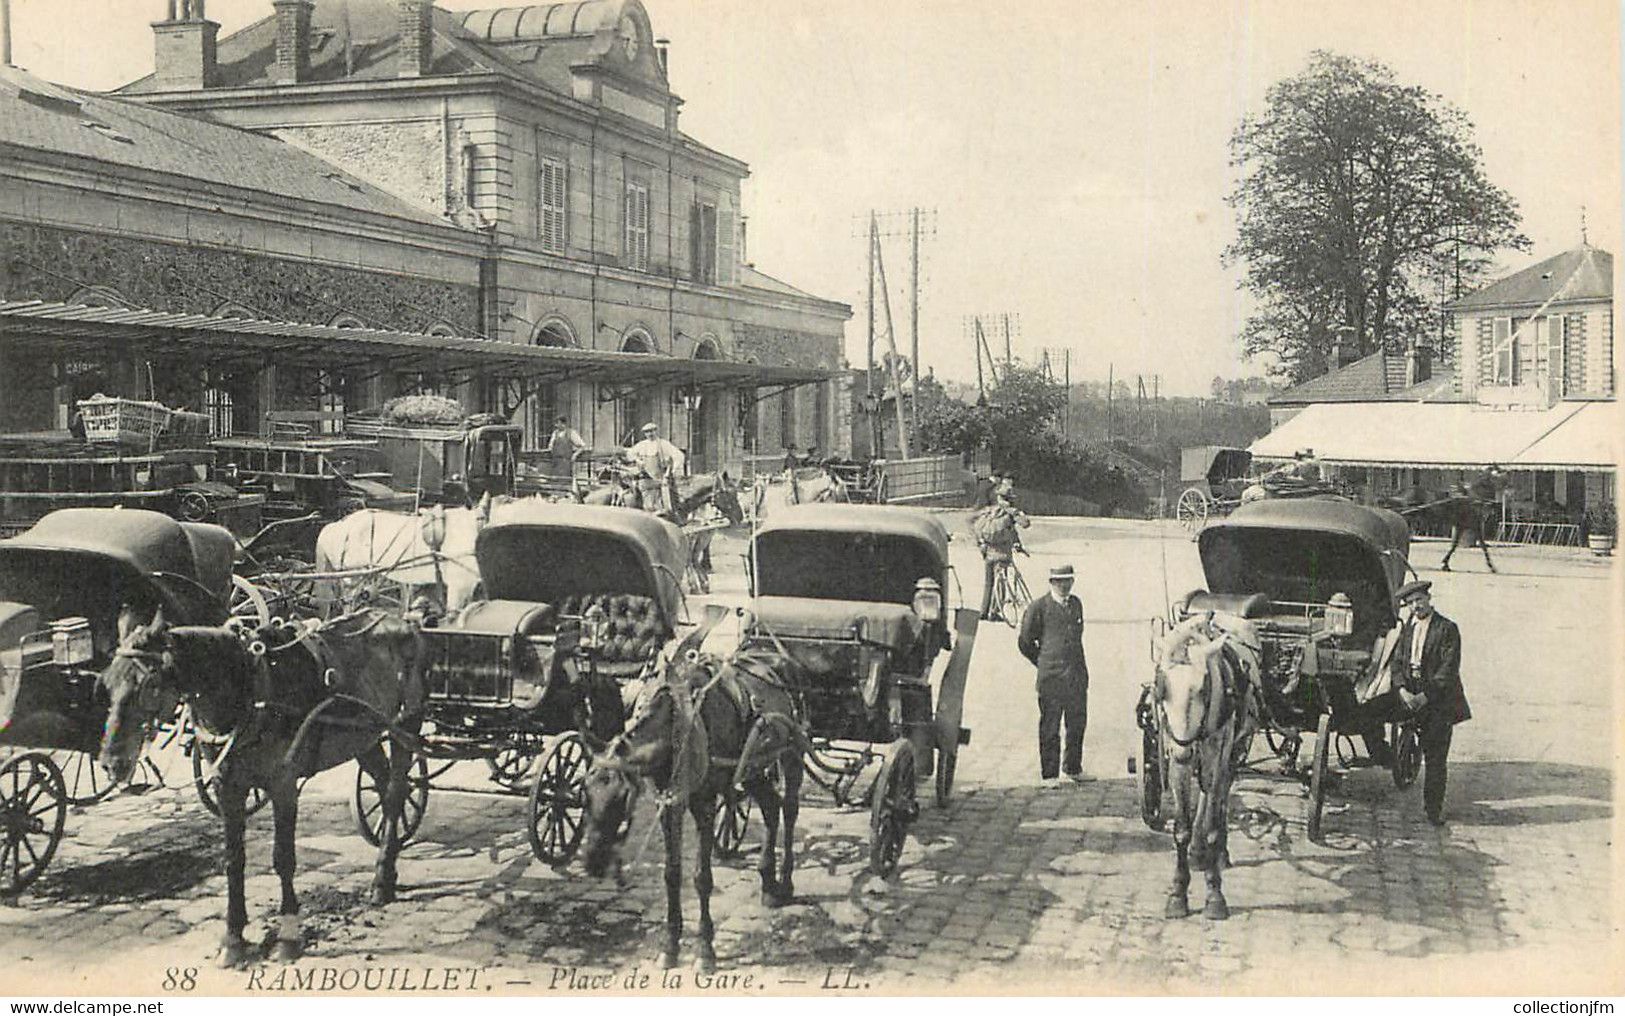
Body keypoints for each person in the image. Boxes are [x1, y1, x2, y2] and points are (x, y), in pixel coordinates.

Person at [1359, 580, 1470, 825]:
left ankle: (1433, 811)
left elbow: (1447, 672)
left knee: (1436, 758)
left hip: (1437, 700)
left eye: (1419, 600)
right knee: (1367, 712)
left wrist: (1425, 696)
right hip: (1409, 695)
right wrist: (1401, 690)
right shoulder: (1407, 628)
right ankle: (1381, 752)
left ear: (1429, 599)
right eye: (1410, 603)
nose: (1416, 606)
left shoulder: (1447, 629)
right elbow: (1397, 663)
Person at [1017, 563, 1091, 787]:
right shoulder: (1039, 607)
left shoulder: (1076, 604)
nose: (1065, 585)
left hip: (1076, 675)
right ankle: (1049, 775)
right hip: (1051, 677)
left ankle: (1073, 768)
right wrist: (1042, 662)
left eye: (1068, 581)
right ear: (1052, 583)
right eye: (1060, 582)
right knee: (1050, 726)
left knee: (1077, 723)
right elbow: (1025, 642)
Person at [972, 489, 1030, 615]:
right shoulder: (1011, 512)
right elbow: (1025, 524)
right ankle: (994, 612)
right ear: (1010, 499)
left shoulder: (989, 511)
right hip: (1003, 554)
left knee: (988, 584)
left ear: (998, 498)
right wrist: (1020, 513)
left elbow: (974, 524)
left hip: (988, 552)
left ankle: (983, 611)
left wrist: (981, 544)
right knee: (1001, 584)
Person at [1442, 465, 1502, 573]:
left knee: (1460, 537)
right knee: (1479, 537)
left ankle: (1446, 559)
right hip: (1468, 511)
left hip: (1468, 509)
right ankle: (1488, 562)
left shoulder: (1484, 486)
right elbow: (1471, 494)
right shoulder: (1478, 485)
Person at [628, 422, 681, 514]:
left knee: (666, 505)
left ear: (655, 431)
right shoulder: (642, 445)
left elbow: (678, 456)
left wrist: (670, 472)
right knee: (645, 503)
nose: (650, 434)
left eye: (651, 431)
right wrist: (637, 460)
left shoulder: (663, 444)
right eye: (647, 432)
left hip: (662, 479)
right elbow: (630, 454)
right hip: (646, 480)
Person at [545, 415, 587, 484]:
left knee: (565, 481)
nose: (556, 425)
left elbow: (582, 446)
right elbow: (550, 446)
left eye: (558, 423)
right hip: (556, 462)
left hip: (566, 462)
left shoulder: (571, 433)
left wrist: (575, 455)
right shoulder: (555, 433)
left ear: (563, 424)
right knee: (555, 482)